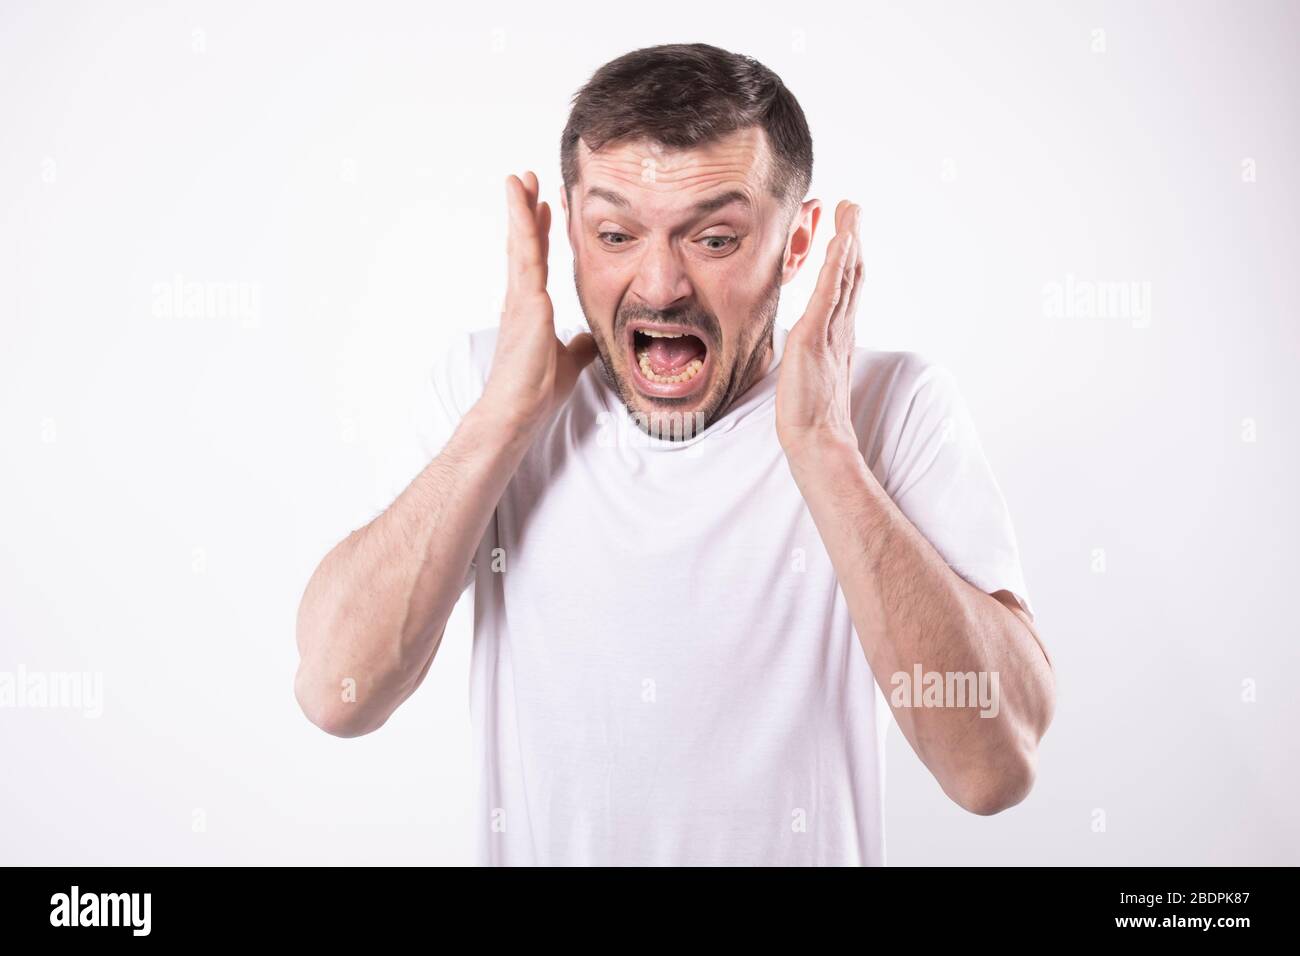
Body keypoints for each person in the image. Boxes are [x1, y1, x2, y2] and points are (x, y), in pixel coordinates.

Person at [294, 42, 1056, 866]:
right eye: (616, 233)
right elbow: (340, 691)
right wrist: (502, 421)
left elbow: (994, 767)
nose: (659, 286)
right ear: (571, 231)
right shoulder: (487, 391)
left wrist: (824, 447)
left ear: (797, 244)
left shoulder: (892, 408)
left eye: (715, 239)